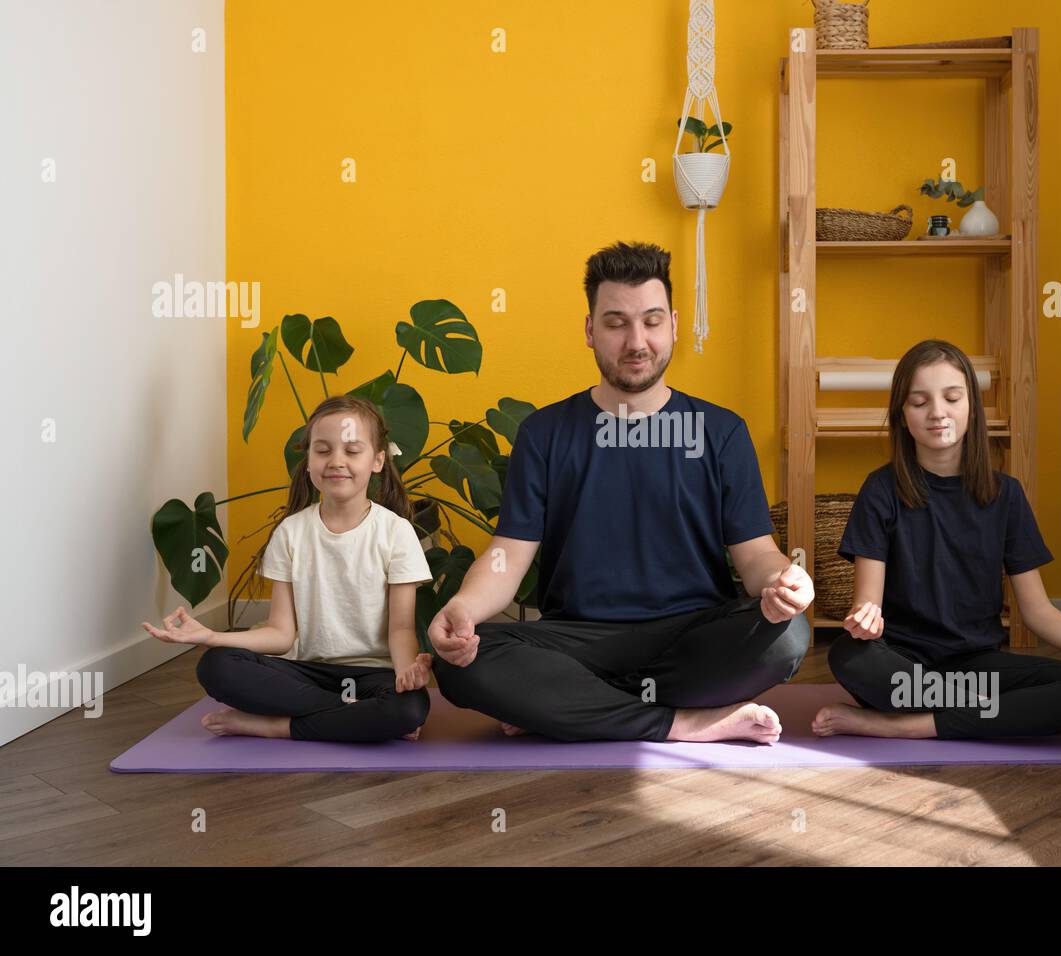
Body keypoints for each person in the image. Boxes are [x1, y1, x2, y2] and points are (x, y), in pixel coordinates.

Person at [429, 240, 813, 744]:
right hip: (578, 639)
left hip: (691, 638)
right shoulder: (545, 433)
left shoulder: (721, 432)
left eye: (652, 321)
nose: (637, 341)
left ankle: (576, 704)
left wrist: (783, 582)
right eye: (616, 323)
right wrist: (462, 609)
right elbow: (507, 557)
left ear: (673, 324)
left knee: (790, 635)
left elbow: (756, 555)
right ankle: (683, 723)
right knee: (462, 666)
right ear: (590, 330)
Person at [814, 339, 1061, 740]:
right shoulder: (881, 489)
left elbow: (1037, 611)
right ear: (902, 416)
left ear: (972, 406)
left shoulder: (1006, 495)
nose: (938, 412)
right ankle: (986, 715)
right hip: (901, 665)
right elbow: (867, 604)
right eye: (919, 402)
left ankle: (903, 725)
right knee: (849, 657)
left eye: (952, 398)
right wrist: (865, 620)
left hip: (975, 667)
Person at [143, 396, 435, 742]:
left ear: (378, 460)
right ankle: (359, 717)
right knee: (216, 666)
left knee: (410, 707)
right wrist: (209, 637)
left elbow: (400, 629)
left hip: (372, 675)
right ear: (308, 461)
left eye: (352, 451)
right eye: (322, 450)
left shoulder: (395, 531)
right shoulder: (290, 533)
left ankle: (277, 726)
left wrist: (405, 674)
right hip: (304, 671)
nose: (336, 461)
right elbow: (281, 633)